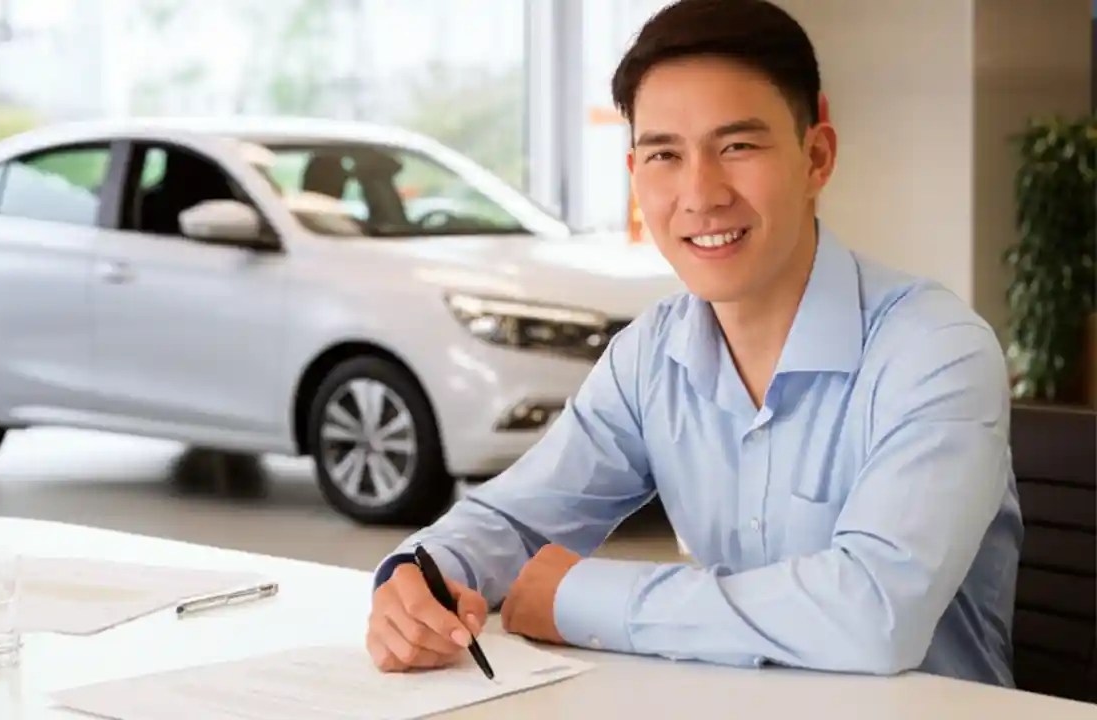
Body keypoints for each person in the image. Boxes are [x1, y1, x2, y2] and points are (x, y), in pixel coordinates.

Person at [365, 0, 1022, 687]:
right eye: (664, 155)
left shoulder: (935, 352)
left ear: (817, 156)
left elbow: (873, 614)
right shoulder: (651, 353)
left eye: (737, 146)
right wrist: (422, 573)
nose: (700, 193)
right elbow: (519, 516)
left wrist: (577, 598)